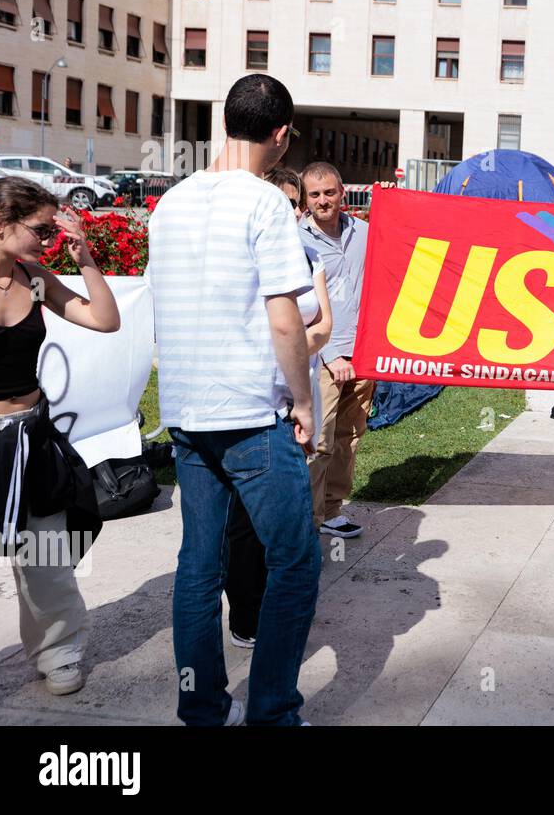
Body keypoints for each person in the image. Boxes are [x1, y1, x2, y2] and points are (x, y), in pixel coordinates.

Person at [148, 73, 320, 726]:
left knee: (198, 566)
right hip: (250, 414)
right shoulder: (265, 203)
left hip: (188, 412)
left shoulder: (170, 203)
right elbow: (285, 318)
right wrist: (303, 403)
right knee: (296, 562)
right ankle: (272, 709)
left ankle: (200, 708)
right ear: (280, 134)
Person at [0, 177, 119, 696]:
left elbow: (104, 320)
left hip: (28, 435)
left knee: (45, 554)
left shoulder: (35, 278)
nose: (48, 240)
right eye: (41, 229)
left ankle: (59, 652)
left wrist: (85, 257)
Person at [223, 167, 332, 649]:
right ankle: (247, 616)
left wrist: (288, 350)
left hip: (297, 394)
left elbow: (323, 326)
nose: (290, 210)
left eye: (294, 202)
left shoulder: (310, 257)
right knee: (246, 519)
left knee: (290, 511)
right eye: (283, 200)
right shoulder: (243, 258)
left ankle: (279, 604)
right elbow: (249, 333)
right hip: (257, 402)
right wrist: (285, 348)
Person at [301, 162, 371, 539]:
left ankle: (332, 511)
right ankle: (308, 525)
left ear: (343, 192)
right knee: (321, 442)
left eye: (329, 192)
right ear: (305, 198)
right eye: (315, 194)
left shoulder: (366, 232)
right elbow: (300, 308)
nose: (323, 200)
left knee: (349, 437)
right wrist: (331, 356)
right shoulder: (298, 240)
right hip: (324, 358)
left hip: (364, 353)